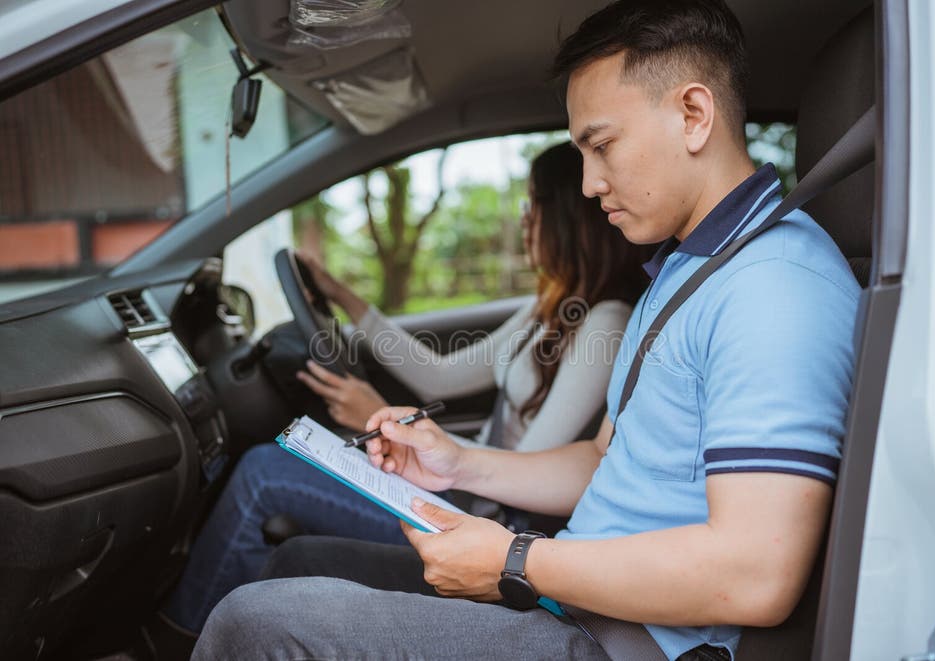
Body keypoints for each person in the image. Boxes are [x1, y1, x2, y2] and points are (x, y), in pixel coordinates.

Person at [193, 0, 862, 659]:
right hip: (580, 595)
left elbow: (755, 574)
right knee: (299, 563)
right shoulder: (691, 270)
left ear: (693, 114)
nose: (592, 184)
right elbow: (604, 462)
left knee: (254, 623)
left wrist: (516, 558)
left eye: (602, 146)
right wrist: (458, 462)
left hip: (620, 639)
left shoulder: (776, 286)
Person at [160, 142, 650, 636]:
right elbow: (440, 374)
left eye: (534, 207)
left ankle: (181, 636)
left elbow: (537, 460)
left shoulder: (606, 322)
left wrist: (380, 414)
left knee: (264, 473)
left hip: (487, 515)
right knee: (278, 466)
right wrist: (342, 297)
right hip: (471, 490)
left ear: (568, 219)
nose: (525, 222)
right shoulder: (551, 304)